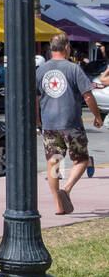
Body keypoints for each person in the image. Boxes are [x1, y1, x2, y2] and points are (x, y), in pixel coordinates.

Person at [38, 33, 102, 215]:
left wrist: (37, 120)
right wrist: (97, 116)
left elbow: (35, 97)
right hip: (71, 123)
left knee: (54, 163)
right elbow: (88, 95)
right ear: (67, 48)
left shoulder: (41, 70)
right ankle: (66, 189)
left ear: (51, 49)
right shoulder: (73, 69)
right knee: (82, 160)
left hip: (49, 125)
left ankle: (58, 205)